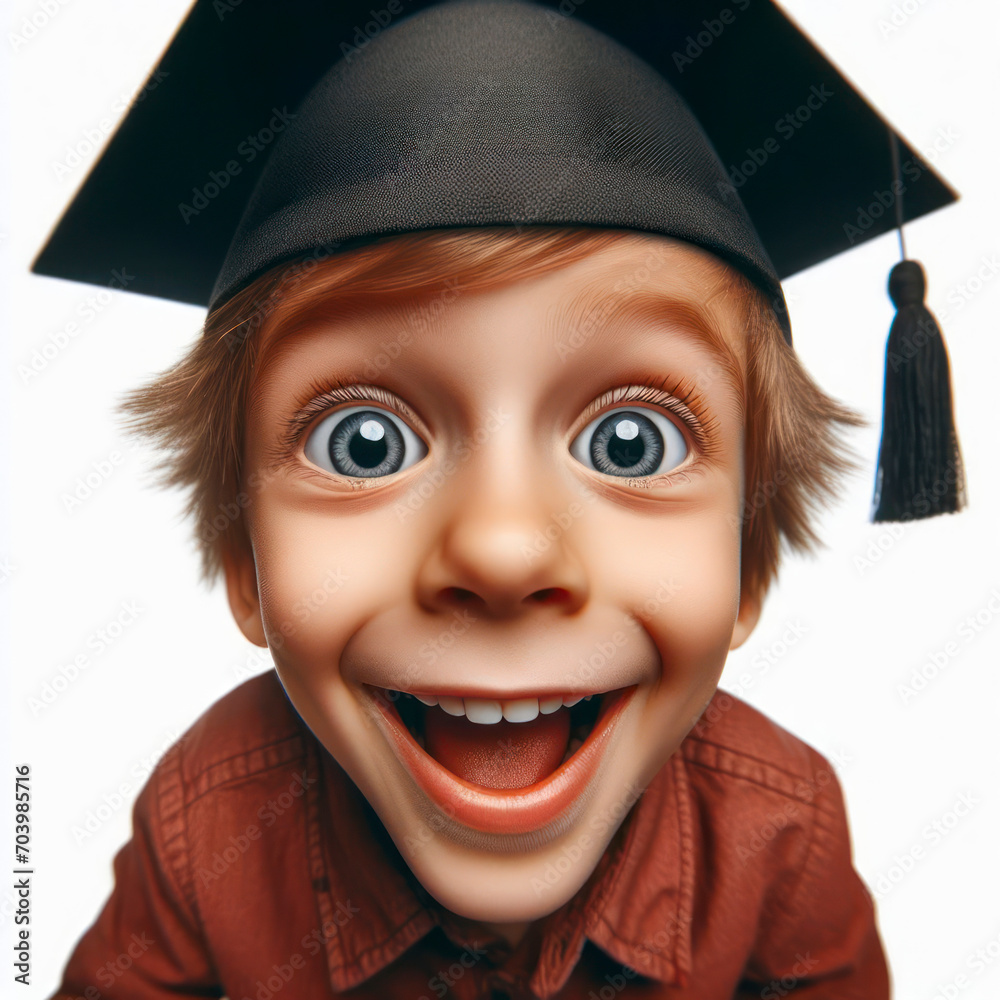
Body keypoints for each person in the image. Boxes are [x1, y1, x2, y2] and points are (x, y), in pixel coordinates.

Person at [40, 0, 964, 995]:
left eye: (629, 442)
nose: (503, 549)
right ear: (244, 561)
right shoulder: (207, 820)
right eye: (363, 444)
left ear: (745, 562)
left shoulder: (780, 834)